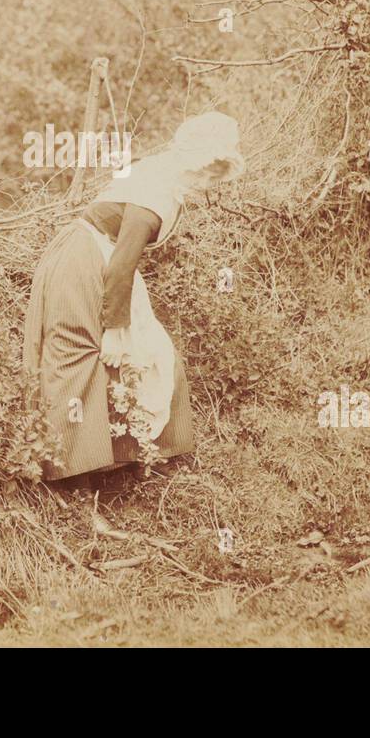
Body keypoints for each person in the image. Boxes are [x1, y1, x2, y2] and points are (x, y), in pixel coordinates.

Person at [23, 112, 245, 488]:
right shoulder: (154, 193)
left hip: (99, 256)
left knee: (154, 350)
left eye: (215, 173)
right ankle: (65, 479)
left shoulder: (157, 172)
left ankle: (138, 457)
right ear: (190, 159)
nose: (207, 181)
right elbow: (122, 265)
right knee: (80, 357)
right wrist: (113, 330)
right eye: (205, 169)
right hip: (84, 261)